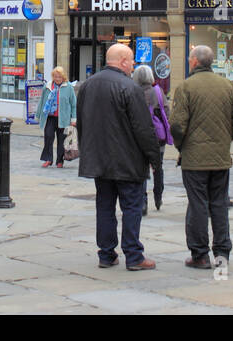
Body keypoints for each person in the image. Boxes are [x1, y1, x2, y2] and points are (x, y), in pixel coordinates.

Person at [76, 43, 160, 271]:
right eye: (131, 60)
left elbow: (81, 123)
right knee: (131, 207)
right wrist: (154, 159)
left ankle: (106, 254)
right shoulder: (130, 88)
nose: (133, 65)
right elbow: (144, 129)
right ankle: (133, 256)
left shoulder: (87, 85)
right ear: (123, 61)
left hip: (99, 160)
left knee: (104, 206)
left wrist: (87, 151)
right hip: (127, 160)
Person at [171, 45, 233, 270]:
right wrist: (224, 139)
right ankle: (222, 252)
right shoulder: (228, 86)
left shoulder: (185, 87)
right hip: (220, 157)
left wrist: (182, 145)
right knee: (219, 204)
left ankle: (200, 254)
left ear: (194, 62)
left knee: (198, 204)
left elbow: (176, 124)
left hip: (194, 159)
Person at [132, 64, 170, 211]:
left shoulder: (133, 92)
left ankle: (143, 201)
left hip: (139, 135)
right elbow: (166, 112)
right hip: (157, 135)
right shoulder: (158, 91)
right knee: (158, 165)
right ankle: (158, 196)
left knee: (142, 167)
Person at [39, 66, 77, 169]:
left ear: (63, 77)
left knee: (61, 141)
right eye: (55, 76)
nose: (57, 79)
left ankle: (60, 161)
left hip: (63, 118)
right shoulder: (47, 87)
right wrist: (38, 115)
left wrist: (74, 119)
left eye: (59, 77)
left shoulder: (68, 87)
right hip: (50, 117)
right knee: (48, 137)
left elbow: (73, 104)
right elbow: (42, 102)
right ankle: (48, 159)